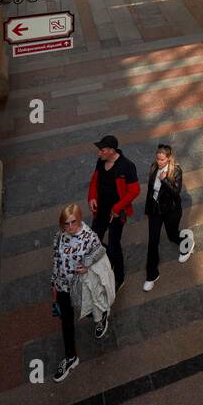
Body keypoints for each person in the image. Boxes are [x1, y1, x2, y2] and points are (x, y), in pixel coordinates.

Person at [51, 203, 104, 382]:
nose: (70, 227)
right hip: (64, 286)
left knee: (87, 309)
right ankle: (71, 357)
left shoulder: (89, 236)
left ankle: (100, 316)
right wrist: (55, 288)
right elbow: (56, 261)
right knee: (67, 322)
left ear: (80, 219)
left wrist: (87, 264)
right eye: (66, 223)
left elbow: (100, 251)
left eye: (73, 222)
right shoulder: (59, 237)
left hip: (82, 285)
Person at [88, 135, 140, 289]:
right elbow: (94, 180)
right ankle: (106, 258)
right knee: (94, 239)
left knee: (114, 244)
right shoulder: (101, 162)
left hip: (116, 214)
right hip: (101, 211)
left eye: (102, 150)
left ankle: (119, 277)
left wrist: (117, 208)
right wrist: (91, 197)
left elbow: (134, 190)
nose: (99, 153)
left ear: (111, 151)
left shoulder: (127, 166)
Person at [143, 143, 193, 290]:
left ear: (169, 158)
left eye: (162, 160)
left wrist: (165, 180)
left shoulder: (176, 171)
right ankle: (151, 275)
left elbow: (176, 193)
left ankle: (186, 242)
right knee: (152, 242)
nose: (159, 162)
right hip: (155, 211)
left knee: (172, 236)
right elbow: (150, 191)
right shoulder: (153, 167)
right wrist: (148, 210)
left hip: (171, 211)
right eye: (158, 159)